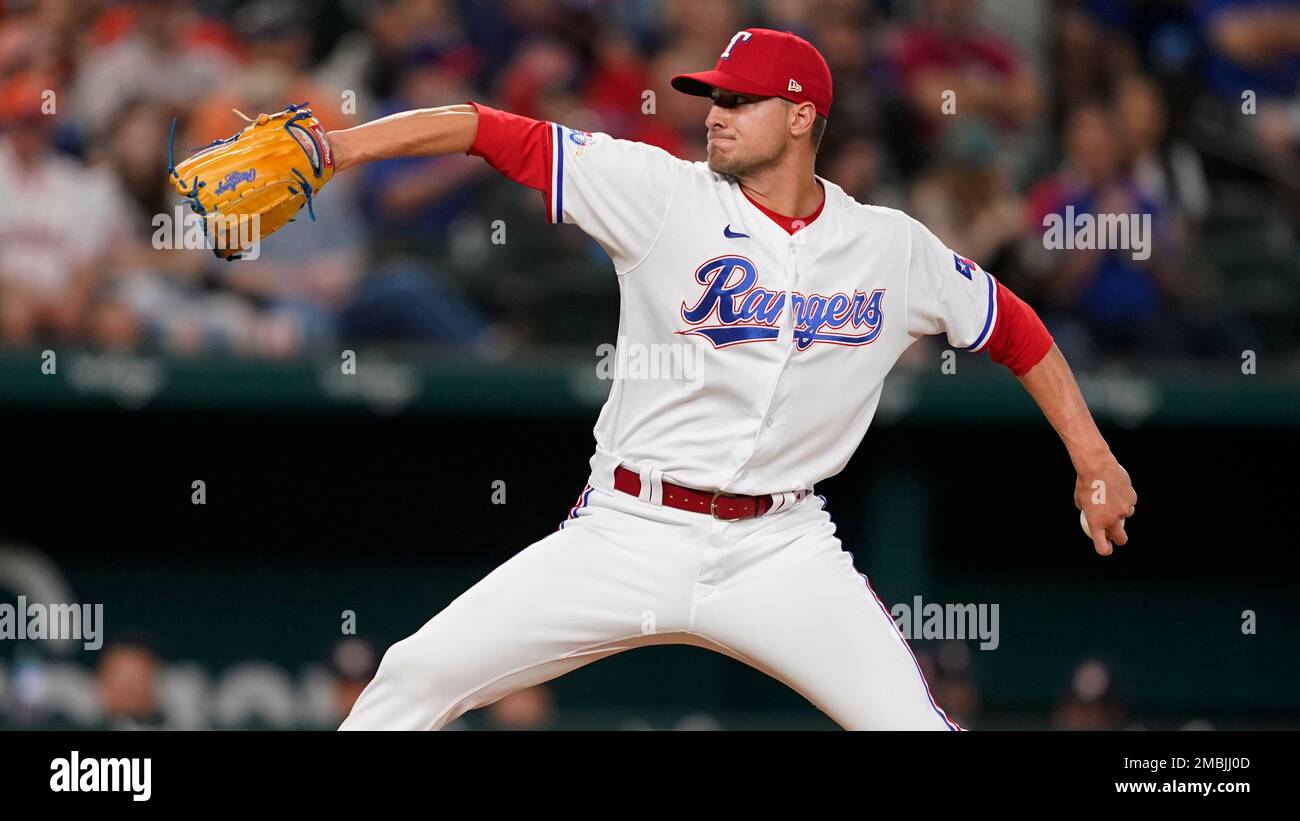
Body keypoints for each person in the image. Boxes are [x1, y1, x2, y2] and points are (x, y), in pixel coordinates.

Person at [311, 28, 1136, 730]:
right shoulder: (661, 194)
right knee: (413, 676)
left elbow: (1017, 330)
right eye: (715, 98)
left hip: (780, 548)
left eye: (741, 101)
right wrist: (342, 146)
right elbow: (487, 128)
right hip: (630, 527)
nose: (716, 114)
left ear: (804, 116)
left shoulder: (890, 246)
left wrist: (1093, 458)